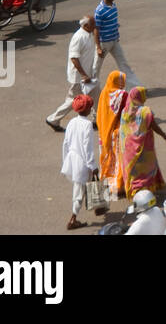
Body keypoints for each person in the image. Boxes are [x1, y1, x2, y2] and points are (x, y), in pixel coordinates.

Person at [46, 14, 98, 131]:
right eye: (93, 24)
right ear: (85, 25)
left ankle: (97, 120)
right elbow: (74, 58)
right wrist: (84, 74)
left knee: (95, 95)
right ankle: (53, 119)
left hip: (88, 75)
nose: (95, 26)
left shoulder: (89, 34)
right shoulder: (78, 37)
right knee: (73, 101)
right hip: (79, 77)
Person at [59, 94, 102, 230]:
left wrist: (65, 159)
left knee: (83, 186)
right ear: (88, 109)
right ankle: (73, 218)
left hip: (72, 159)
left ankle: (96, 208)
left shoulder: (71, 122)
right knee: (79, 191)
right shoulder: (87, 125)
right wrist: (93, 165)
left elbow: (65, 143)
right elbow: (87, 148)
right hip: (82, 162)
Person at [120, 86, 166, 195]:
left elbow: (123, 131)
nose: (146, 97)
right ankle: (145, 194)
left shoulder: (125, 111)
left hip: (129, 150)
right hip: (144, 149)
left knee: (134, 173)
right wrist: (164, 135)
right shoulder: (145, 111)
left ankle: (135, 193)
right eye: (144, 94)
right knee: (145, 171)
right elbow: (154, 126)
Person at [92, 0, 138, 89]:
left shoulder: (113, 5)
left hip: (114, 41)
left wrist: (117, 35)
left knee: (124, 64)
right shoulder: (99, 11)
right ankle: (91, 90)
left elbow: (113, 22)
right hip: (104, 44)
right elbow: (96, 30)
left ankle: (134, 88)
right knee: (96, 68)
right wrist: (98, 47)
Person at [97, 70, 128, 201]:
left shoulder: (104, 92)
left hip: (104, 131)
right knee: (119, 160)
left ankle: (107, 185)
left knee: (108, 160)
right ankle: (119, 186)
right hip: (117, 132)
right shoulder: (121, 95)